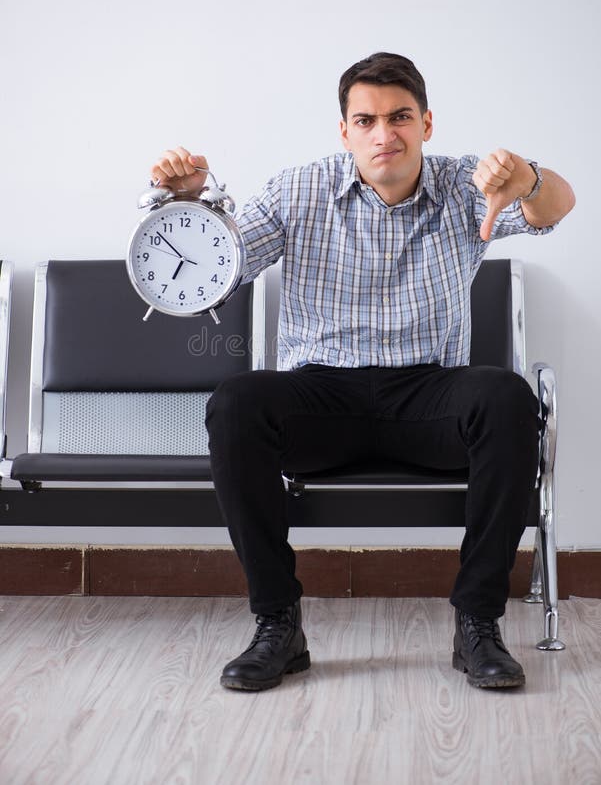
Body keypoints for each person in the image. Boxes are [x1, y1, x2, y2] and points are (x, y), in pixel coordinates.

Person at [151, 52, 575, 692]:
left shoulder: (466, 185)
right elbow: (219, 270)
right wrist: (188, 205)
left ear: (426, 124)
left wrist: (530, 177)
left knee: (506, 397)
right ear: (344, 130)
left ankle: (478, 624)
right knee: (237, 401)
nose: (385, 134)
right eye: (367, 120)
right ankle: (278, 624)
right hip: (322, 396)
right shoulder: (298, 189)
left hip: (428, 395)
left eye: (400, 117)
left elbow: (555, 208)